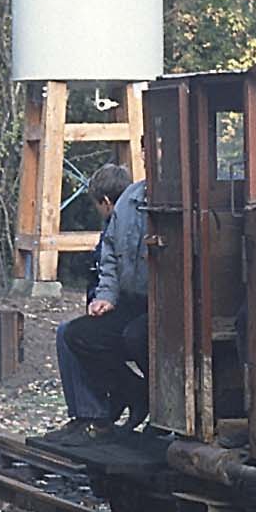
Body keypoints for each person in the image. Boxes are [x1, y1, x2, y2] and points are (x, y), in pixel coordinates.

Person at [58, 175, 151, 445]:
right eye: (148, 150)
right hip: (130, 300)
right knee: (78, 334)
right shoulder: (129, 200)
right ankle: (131, 394)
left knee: (137, 336)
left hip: (166, 304)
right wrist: (106, 296)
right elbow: (109, 252)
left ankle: (160, 412)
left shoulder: (182, 197)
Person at [43, 163, 133, 443]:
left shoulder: (127, 220)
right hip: (118, 302)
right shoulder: (117, 221)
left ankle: (100, 413)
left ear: (106, 202)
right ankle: (85, 414)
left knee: (75, 335)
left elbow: (121, 268)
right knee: (69, 332)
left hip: (131, 306)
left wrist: (109, 299)